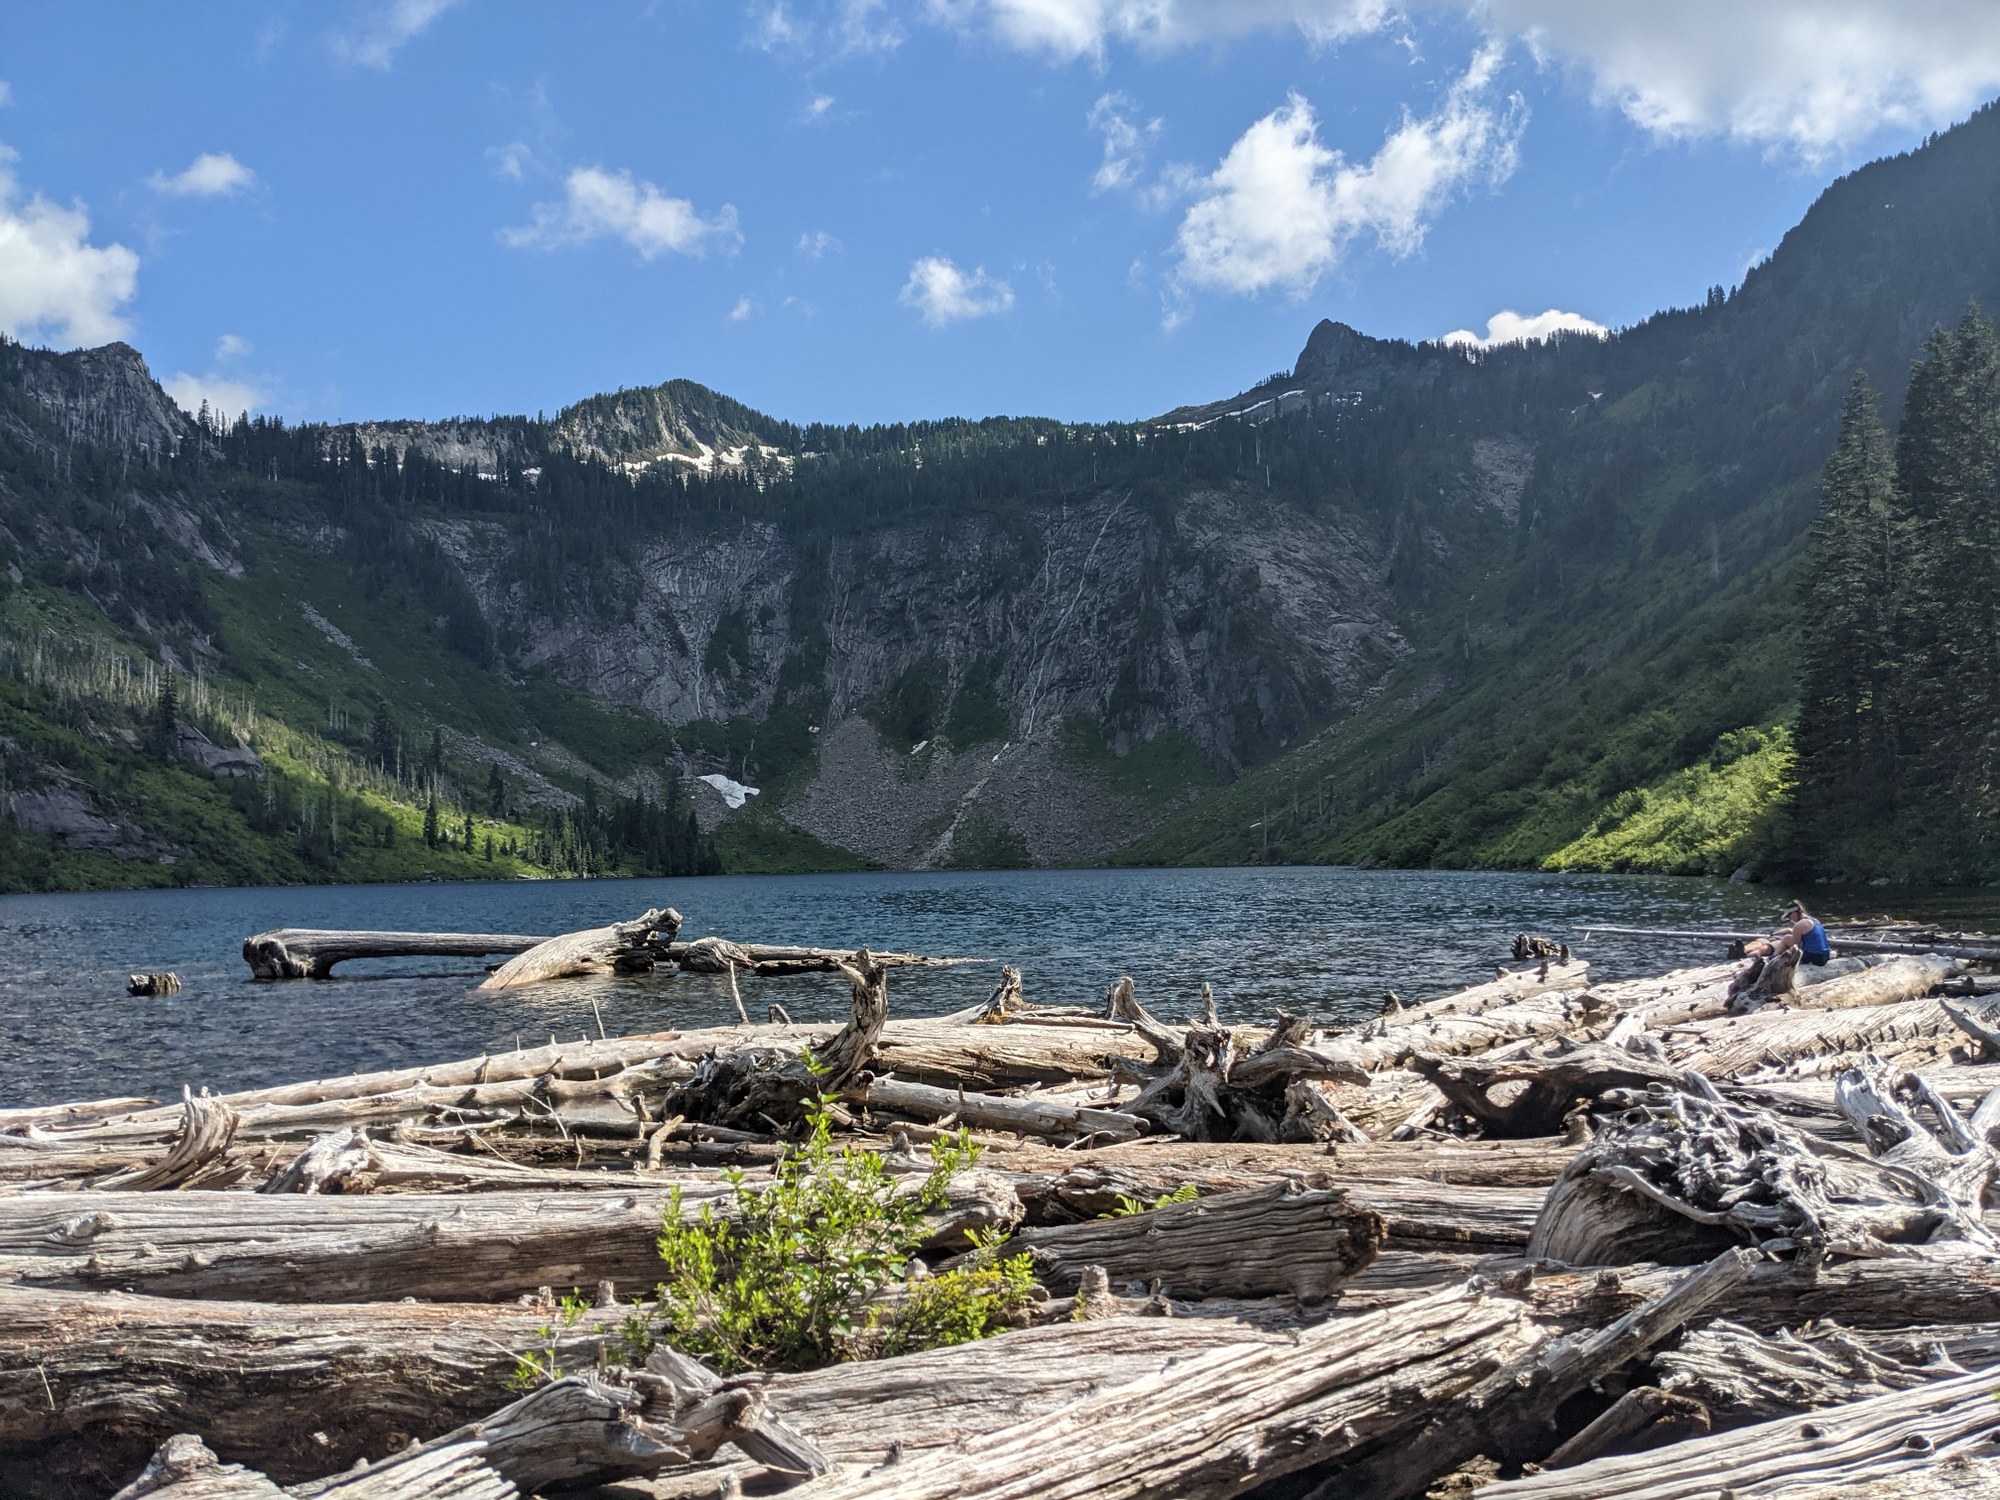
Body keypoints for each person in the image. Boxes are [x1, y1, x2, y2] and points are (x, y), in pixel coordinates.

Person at [1743, 902, 1832, 967]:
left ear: (1794, 913)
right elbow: (1793, 932)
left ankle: (1772, 959)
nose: (1790, 919)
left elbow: (1796, 948)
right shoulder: (1814, 920)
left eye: (1789, 916)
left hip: (1814, 958)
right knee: (1787, 938)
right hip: (1825, 956)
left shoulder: (1798, 925)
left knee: (1786, 939)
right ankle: (1773, 957)